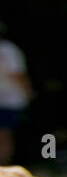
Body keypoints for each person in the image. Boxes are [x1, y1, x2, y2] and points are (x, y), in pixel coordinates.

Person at [0, 28, 32, 165]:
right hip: (10, 100)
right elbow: (18, 74)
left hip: (9, 100)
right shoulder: (9, 50)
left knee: (4, 135)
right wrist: (28, 92)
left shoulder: (8, 50)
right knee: (4, 135)